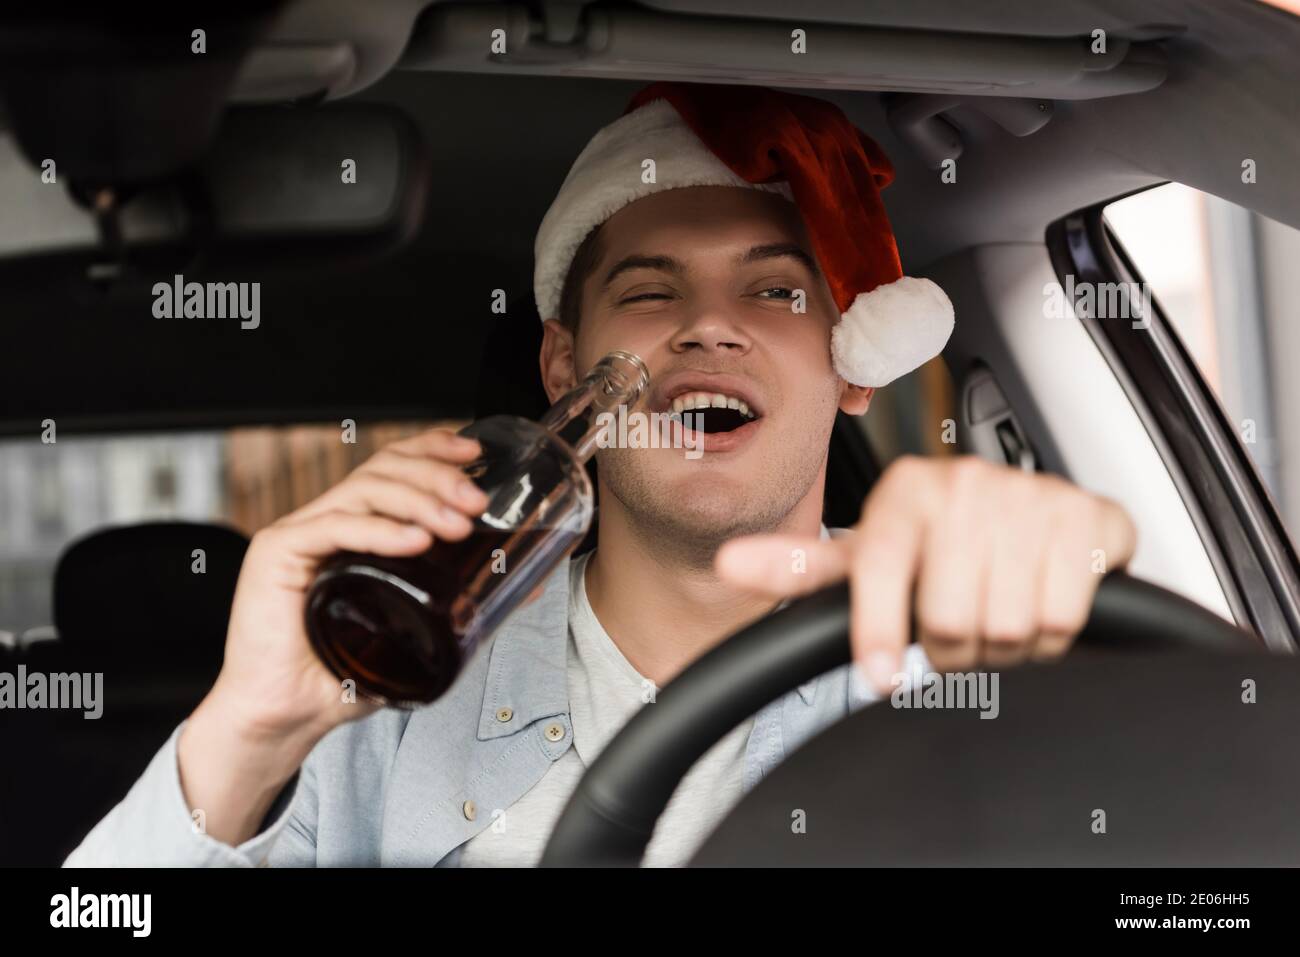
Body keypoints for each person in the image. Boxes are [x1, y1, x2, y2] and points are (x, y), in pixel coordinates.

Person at [65, 82, 1135, 867]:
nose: (710, 327)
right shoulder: (379, 706)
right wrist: (244, 736)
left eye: (771, 293)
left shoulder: (961, 641)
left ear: (849, 368)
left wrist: (1087, 603)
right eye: (650, 292)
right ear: (566, 366)